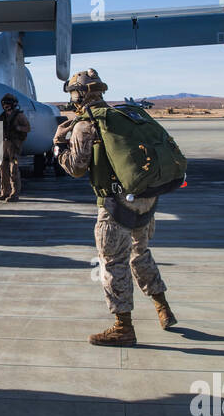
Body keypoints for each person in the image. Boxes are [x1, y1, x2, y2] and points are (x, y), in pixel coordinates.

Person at [53, 69, 177, 346]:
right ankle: (163, 308)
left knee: (112, 263)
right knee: (140, 254)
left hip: (114, 204)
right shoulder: (125, 116)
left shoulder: (87, 125)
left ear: (79, 95)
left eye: (73, 94)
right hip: (146, 199)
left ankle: (123, 327)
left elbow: (75, 168)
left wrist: (58, 145)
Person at [0, 93, 31, 202]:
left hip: (14, 144)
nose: (5, 106)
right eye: (4, 104)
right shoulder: (2, 116)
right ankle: (4, 192)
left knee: (13, 169)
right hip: (4, 143)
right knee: (3, 168)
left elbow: (27, 128)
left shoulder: (19, 116)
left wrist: (18, 128)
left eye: (8, 104)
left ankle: (14, 193)